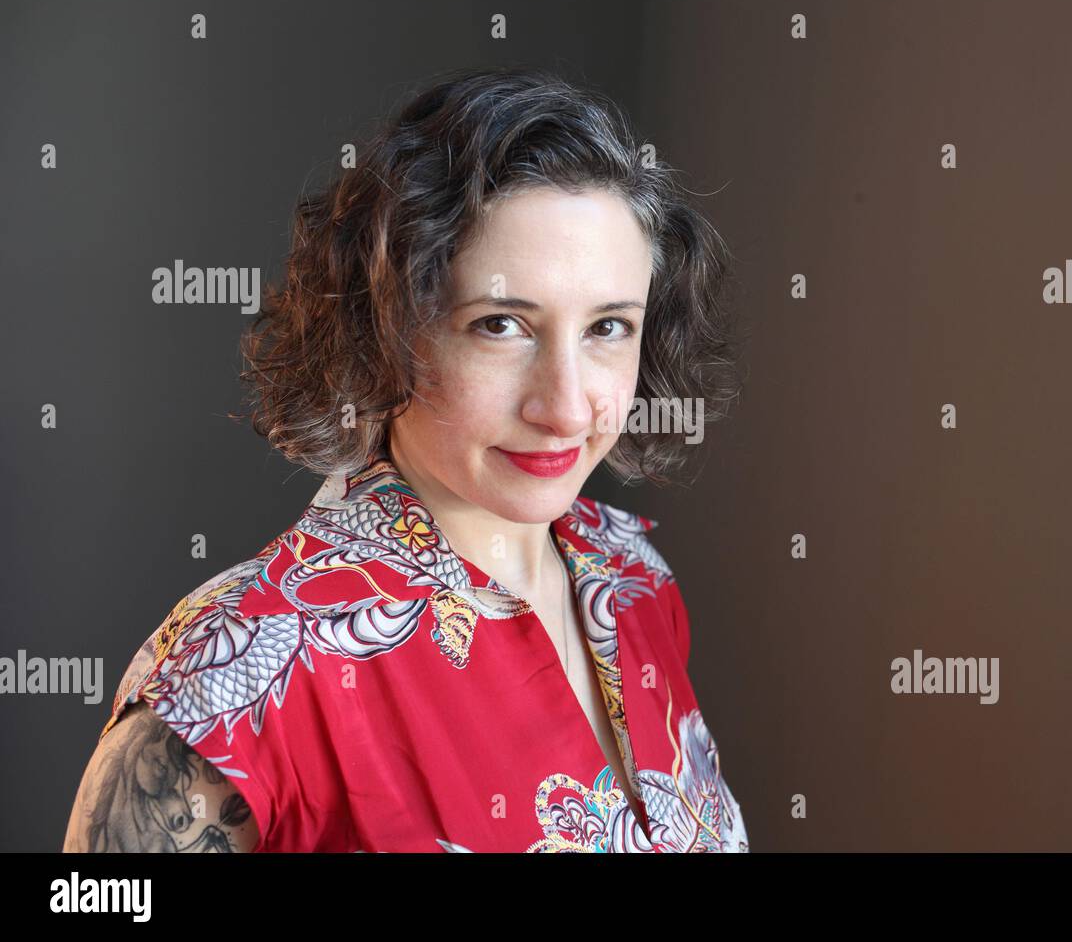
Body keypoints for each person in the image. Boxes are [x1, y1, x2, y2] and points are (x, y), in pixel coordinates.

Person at [62, 65, 747, 852]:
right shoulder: (247, 660)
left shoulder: (631, 577)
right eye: (500, 325)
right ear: (385, 332)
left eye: (607, 328)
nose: (564, 406)